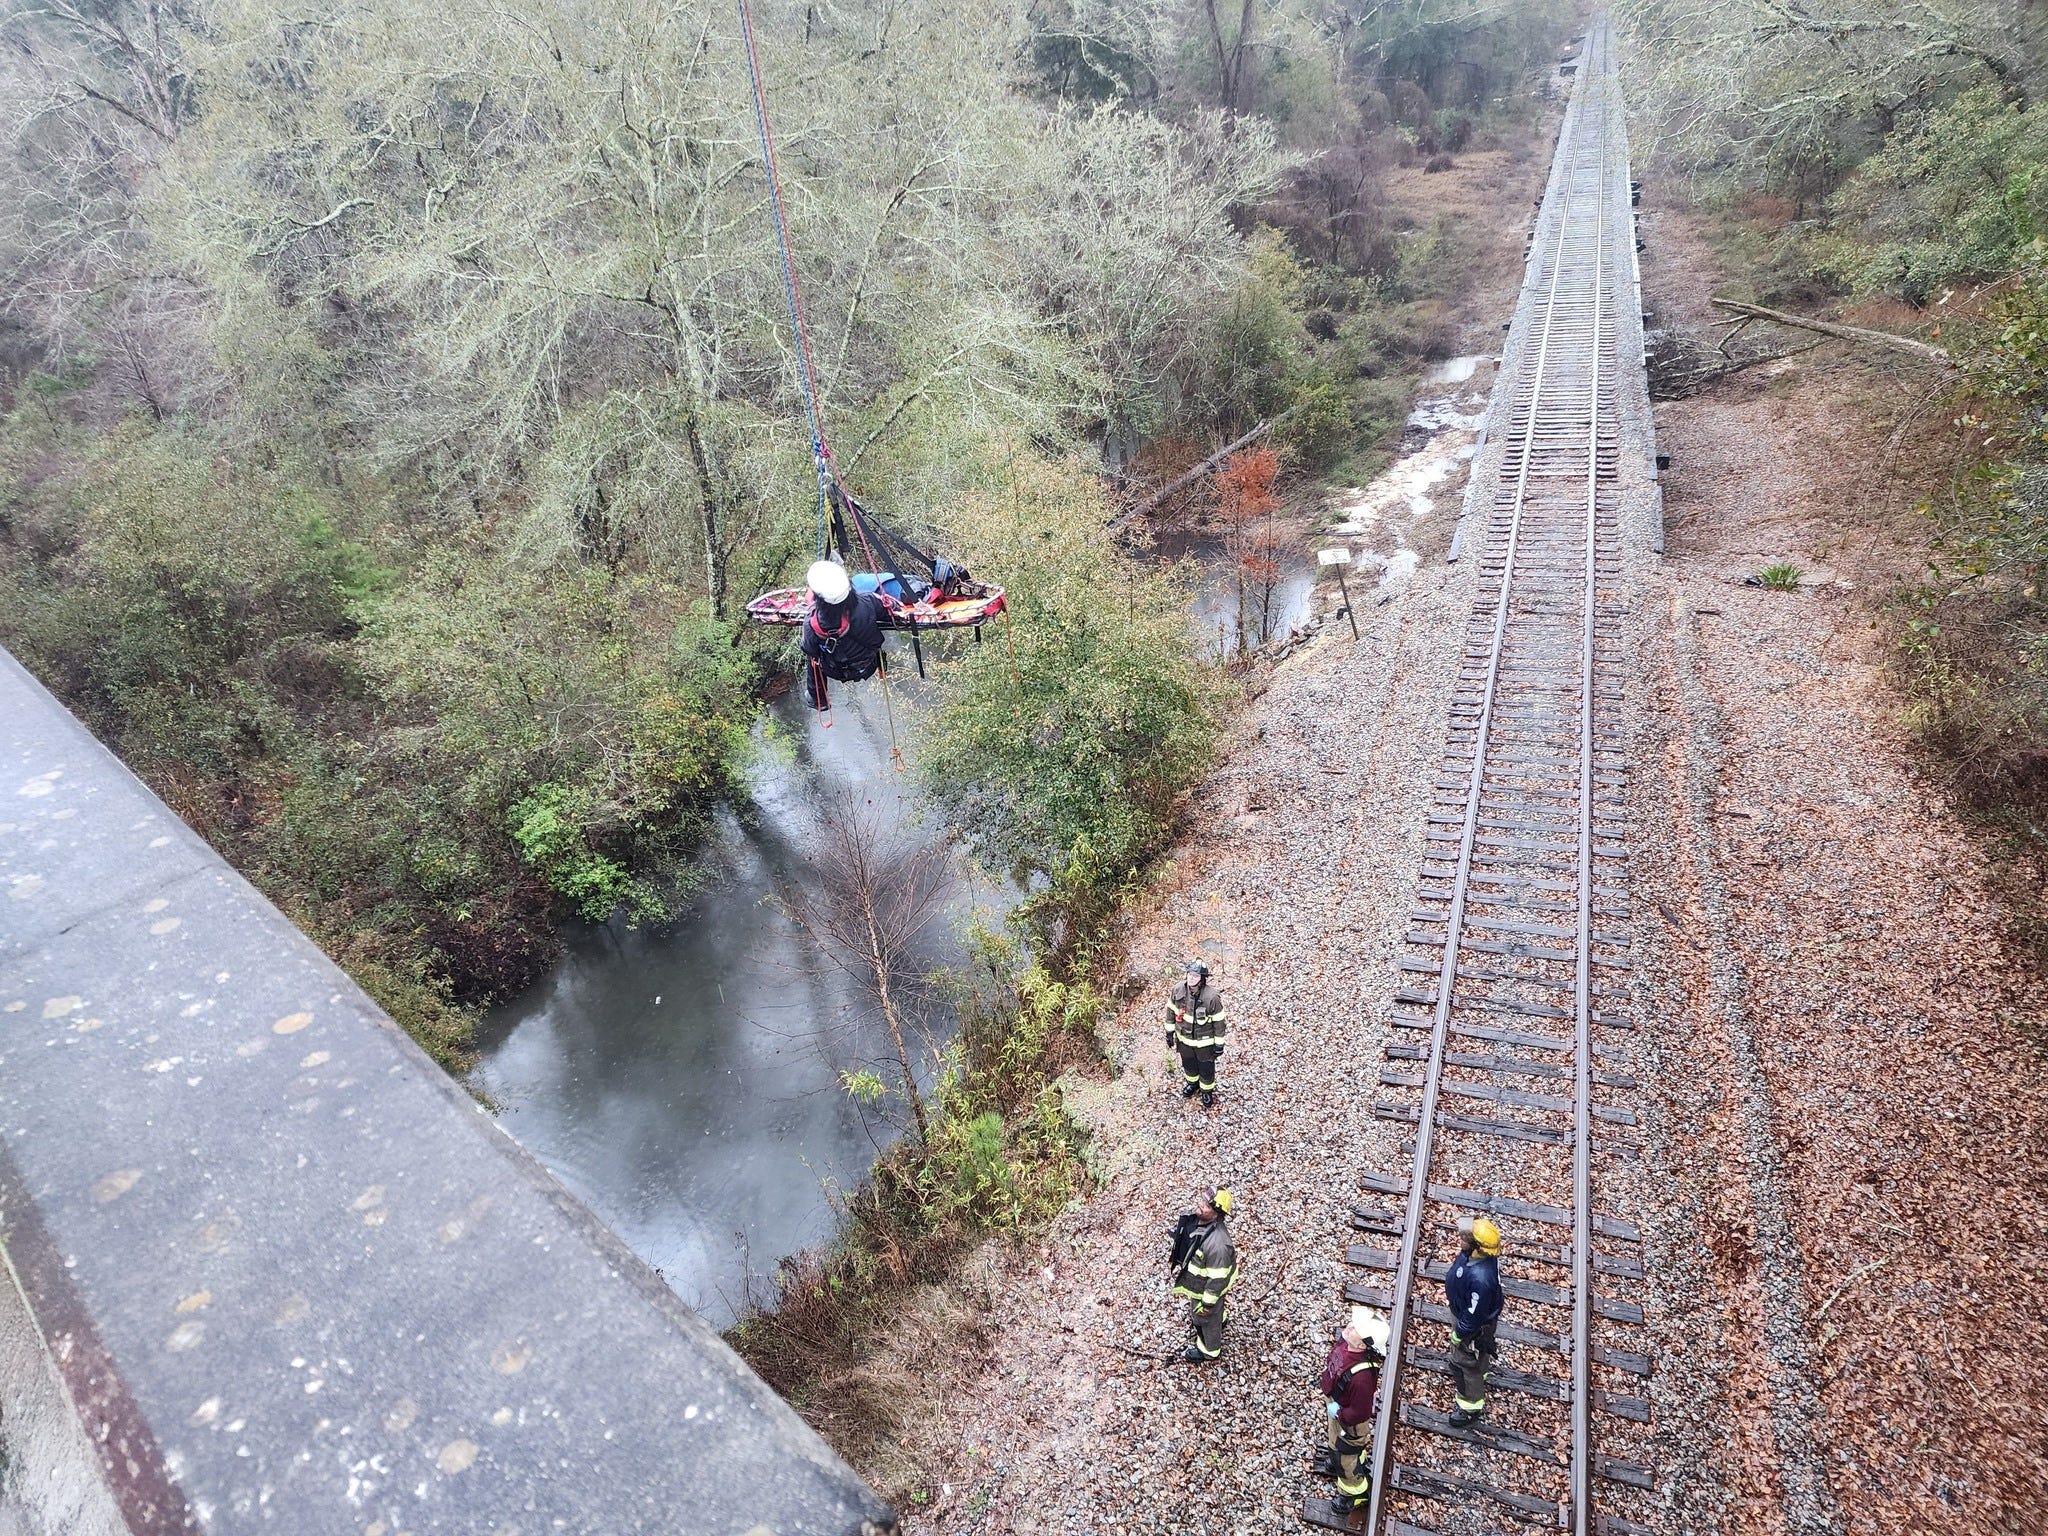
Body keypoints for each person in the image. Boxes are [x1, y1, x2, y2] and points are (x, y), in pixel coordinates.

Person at [1316, 1306, 1388, 1514]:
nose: (1349, 1327)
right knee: (1335, 1440)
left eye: (1357, 1329)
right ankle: (1350, 1458)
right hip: (1338, 1408)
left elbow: (1359, 1413)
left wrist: (1338, 1413)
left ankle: (1355, 1492)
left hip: (1349, 1421)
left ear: (1363, 1343)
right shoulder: (1347, 1344)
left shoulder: (1361, 1379)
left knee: (1345, 1455)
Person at [799, 559, 888, 708]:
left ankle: (818, 699)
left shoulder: (812, 624)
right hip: (869, 664)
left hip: (836, 670)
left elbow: (808, 648)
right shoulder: (867, 602)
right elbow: (884, 610)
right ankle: (881, 667)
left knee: (813, 658)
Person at [1444, 1214, 1504, 1425]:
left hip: (1471, 1326)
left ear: (1477, 1247)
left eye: (1465, 1239)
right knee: (1478, 1357)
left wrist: (1459, 1334)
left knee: (1465, 1362)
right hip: (1465, 1315)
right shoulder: (1477, 1257)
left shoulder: (1482, 1280)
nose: (1460, 1240)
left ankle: (1470, 1406)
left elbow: (1474, 1314)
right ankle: (1481, 1368)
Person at [1169, 1186, 1238, 1363]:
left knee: (1206, 1320)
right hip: (1199, 1285)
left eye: (1206, 1205)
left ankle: (1209, 1350)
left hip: (1206, 1291)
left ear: (1216, 1213)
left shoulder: (1218, 1245)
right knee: (1212, 1313)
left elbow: (1218, 1280)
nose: (1200, 1204)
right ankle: (1220, 1317)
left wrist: (1207, 1304)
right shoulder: (1202, 1223)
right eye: (1201, 1199)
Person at [1165, 959, 1227, 1108]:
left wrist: (1219, 1044)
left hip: (1204, 1043)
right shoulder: (1178, 990)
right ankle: (1192, 1084)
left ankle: (1207, 1091)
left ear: (1202, 978)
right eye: (1189, 974)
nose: (1191, 978)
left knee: (1206, 1067)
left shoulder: (1211, 997)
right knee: (1189, 1065)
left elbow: (1219, 1022)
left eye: (1195, 976)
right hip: (1184, 1040)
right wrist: (1169, 1032)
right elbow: (1170, 1011)